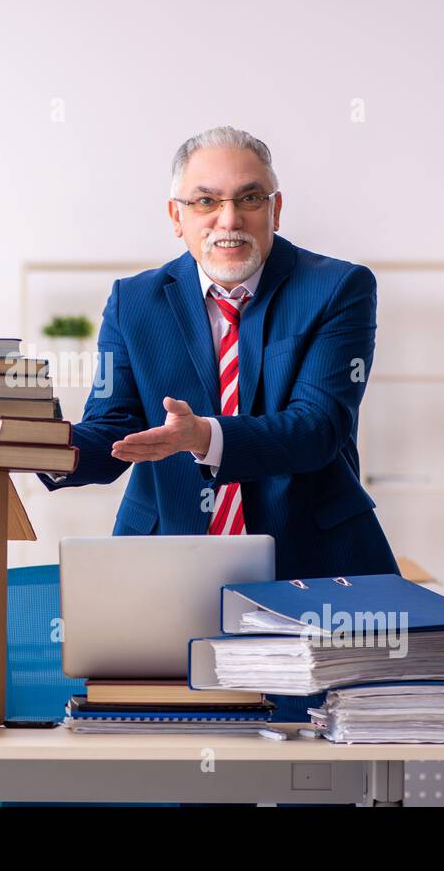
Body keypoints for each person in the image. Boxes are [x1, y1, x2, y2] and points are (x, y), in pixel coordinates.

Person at [39, 125, 397, 582]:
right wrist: (35, 445)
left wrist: (203, 437)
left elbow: (317, 428)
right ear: (176, 216)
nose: (229, 221)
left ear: (276, 209)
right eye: (206, 201)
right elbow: (114, 430)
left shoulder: (338, 288)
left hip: (314, 560)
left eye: (249, 199)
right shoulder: (134, 302)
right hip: (164, 555)